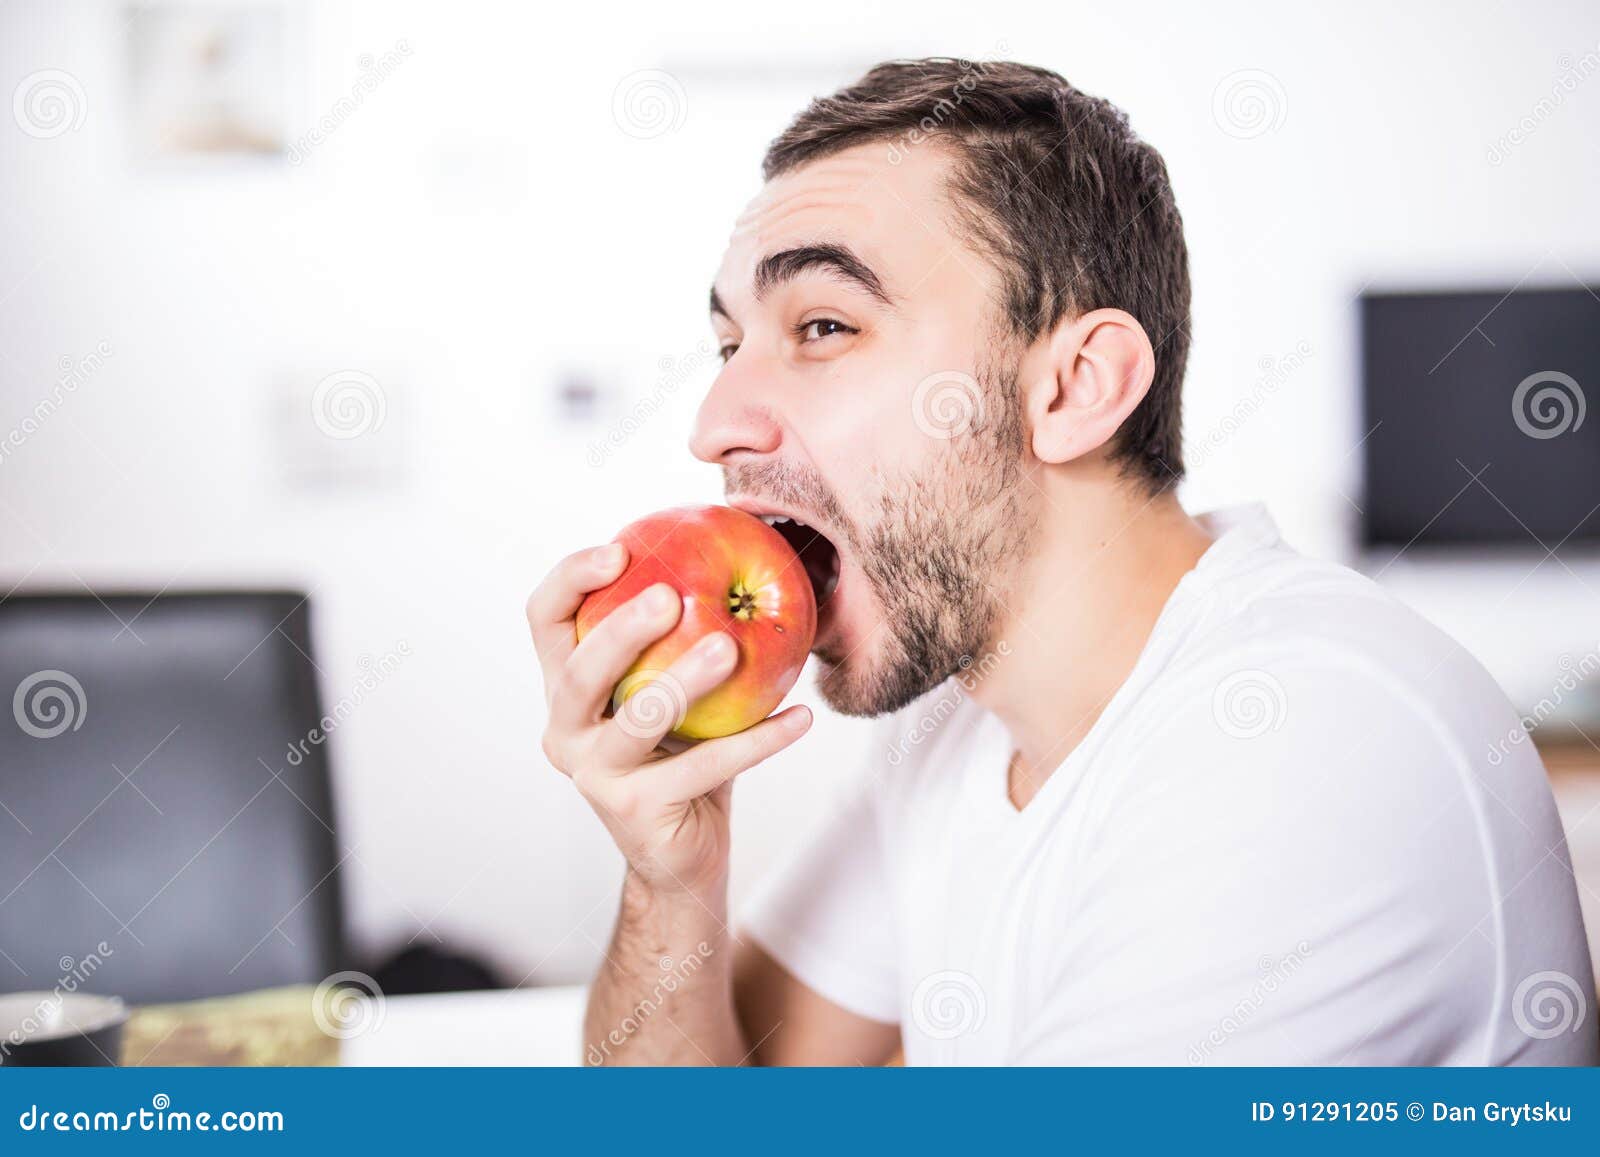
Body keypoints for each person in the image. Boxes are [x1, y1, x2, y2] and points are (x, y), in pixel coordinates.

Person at [527, 59, 1597, 1065]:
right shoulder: (950, 727)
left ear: (1075, 386)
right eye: (730, 347)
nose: (713, 424)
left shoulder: (1303, 732)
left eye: (821, 324)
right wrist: (669, 883)